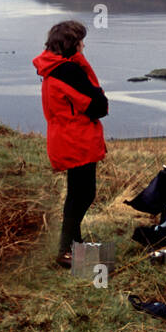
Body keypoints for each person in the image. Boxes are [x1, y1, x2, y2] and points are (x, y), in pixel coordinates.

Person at [34, 19, 108, 268]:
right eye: (81, 41)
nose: (84, 45)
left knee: (77, 194)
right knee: (83, 195)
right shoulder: (69, 72)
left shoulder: (52, 69)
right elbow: (99, 105)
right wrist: (82, 62)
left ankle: (73, 248)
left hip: (64, 139)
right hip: (77, 141)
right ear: (72, 45)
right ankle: (66, 251)